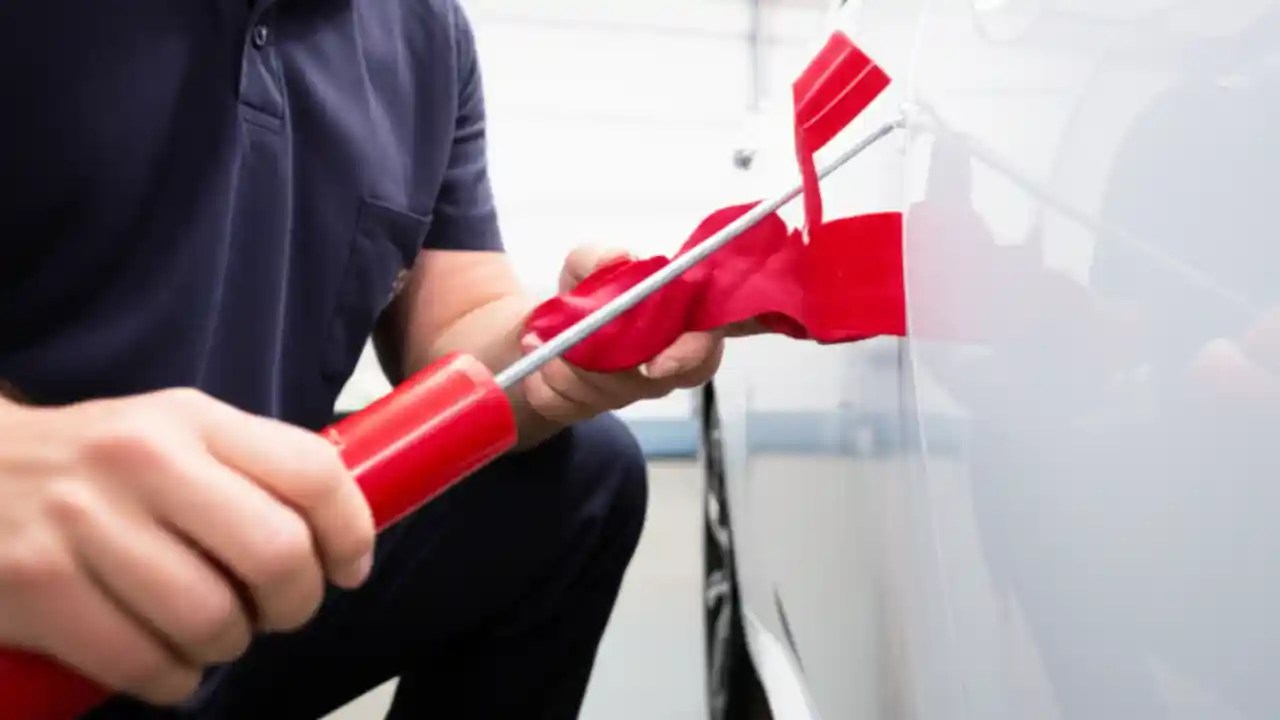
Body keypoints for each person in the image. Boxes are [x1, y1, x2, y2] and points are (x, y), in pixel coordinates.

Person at [0, 2, 727, 718]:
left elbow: (462, 320)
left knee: (579, 477)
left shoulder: (426, 32)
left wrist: (572, 344)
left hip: (253, 574)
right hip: (29, 612)